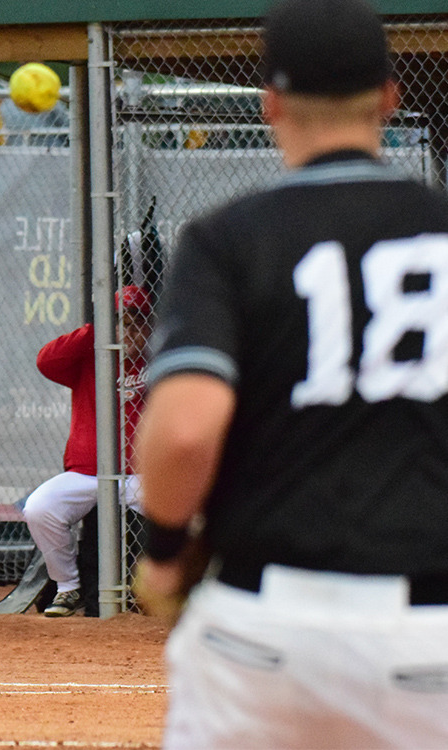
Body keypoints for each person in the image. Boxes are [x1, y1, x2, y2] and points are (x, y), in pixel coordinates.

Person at [132, 1, 448, 746]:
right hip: (431, 635)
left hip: (264, 633)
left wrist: (166, 557)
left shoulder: (228, 240)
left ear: (270, 101)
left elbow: (183, 432)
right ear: (389, 96)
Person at [23, 285, 149, 618]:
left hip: (139, 477)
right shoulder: (91, 356)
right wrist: (99, 331)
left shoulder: (160, 357)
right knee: (39, 508)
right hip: (86, 474)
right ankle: (68, 587)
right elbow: (45, 360)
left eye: (138, 321)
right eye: (123, 321)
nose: (130, 329)